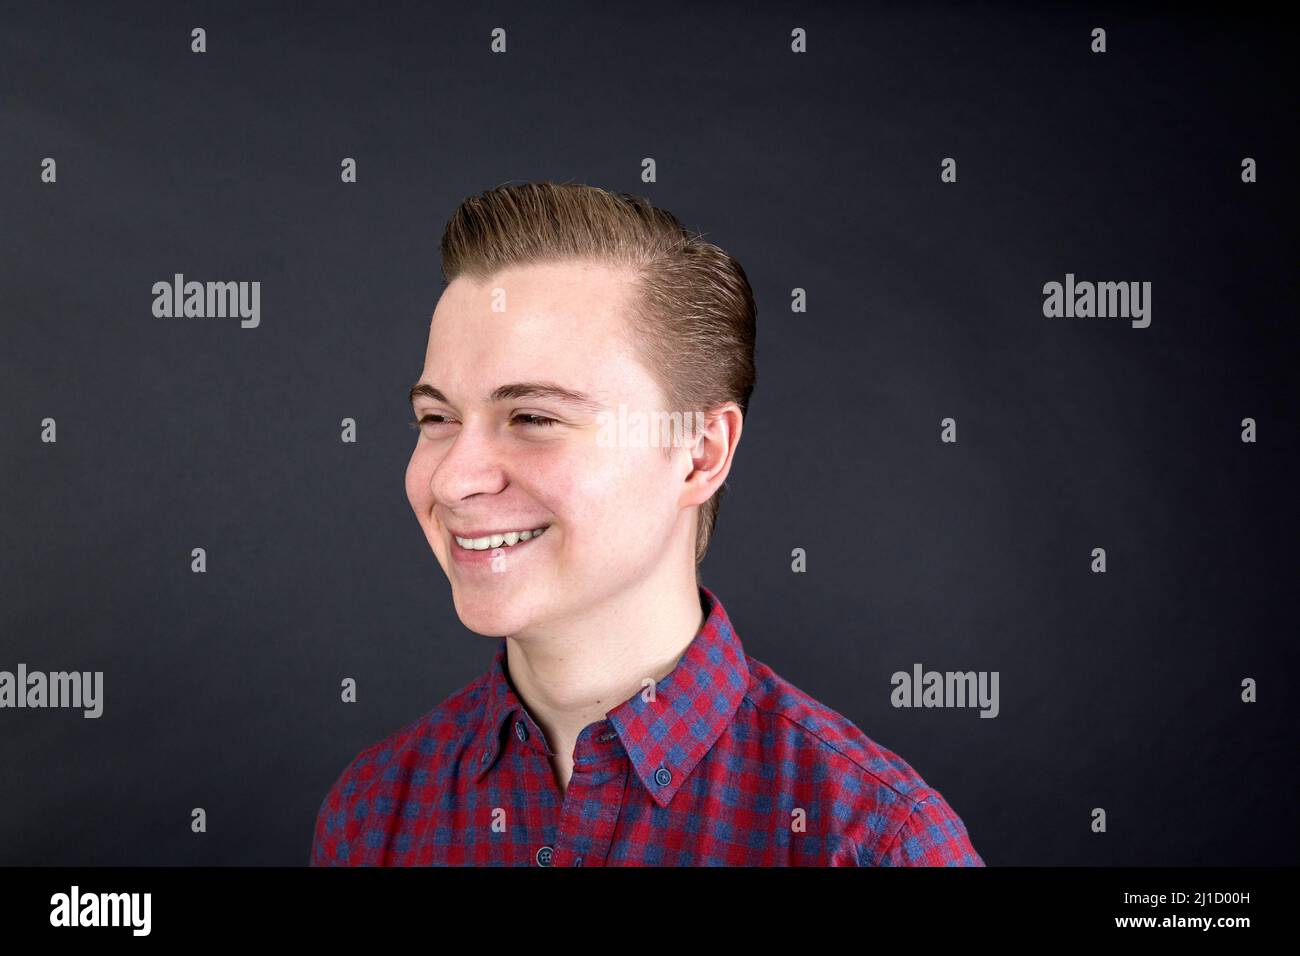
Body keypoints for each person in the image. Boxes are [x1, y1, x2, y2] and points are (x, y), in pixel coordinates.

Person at [310, 182, 983, 866]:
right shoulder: (372, 815)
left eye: (534, 417)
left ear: (700, 453)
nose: (454, 479)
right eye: (437, 418)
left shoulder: (876, 843)